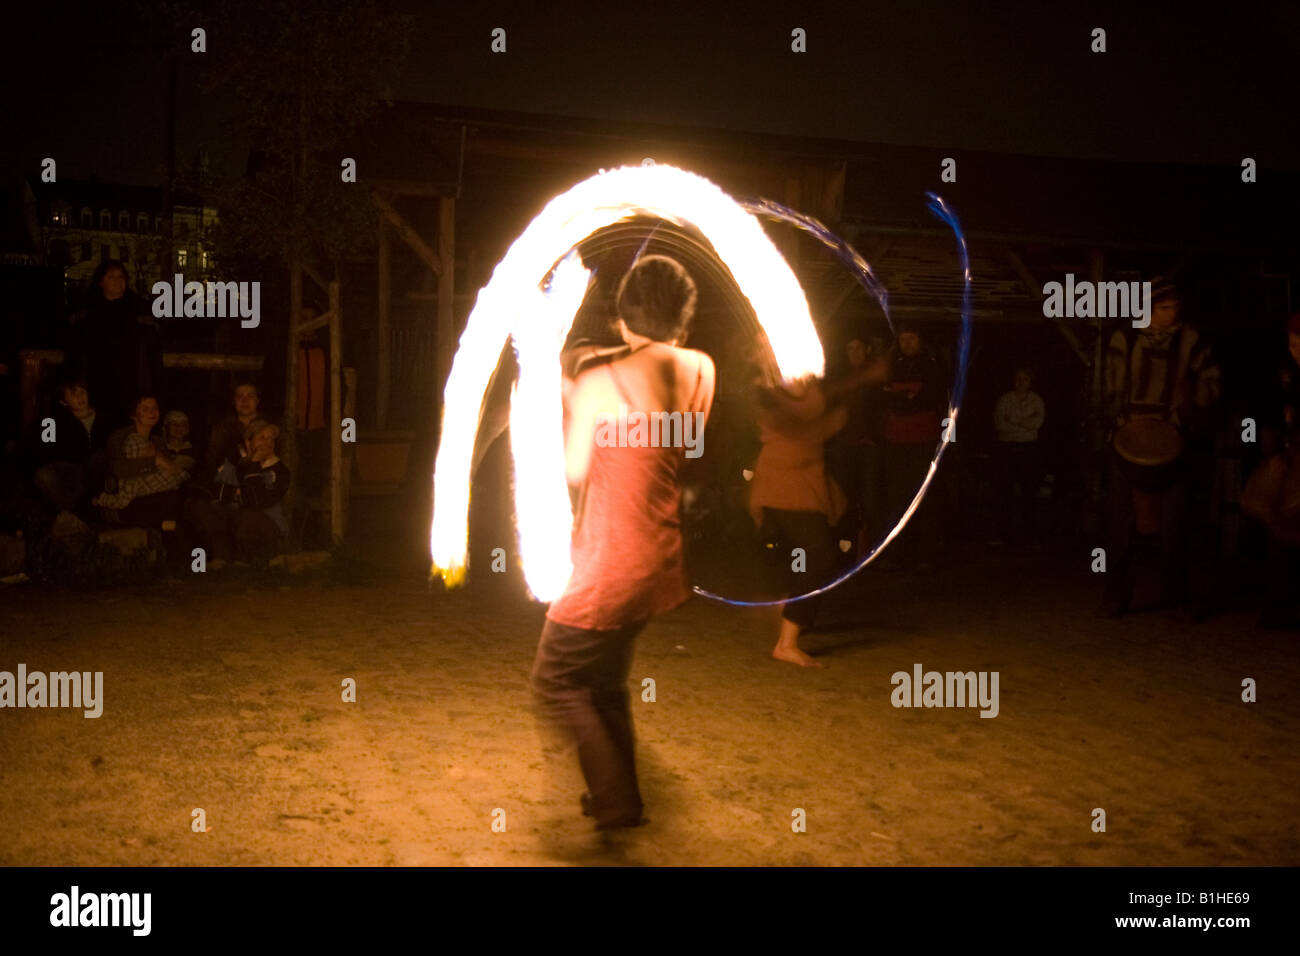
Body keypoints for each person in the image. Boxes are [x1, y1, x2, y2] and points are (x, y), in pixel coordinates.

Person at [531, 255, 715, 832]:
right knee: (604, 683)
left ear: (621, 317)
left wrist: (571, 396)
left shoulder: (598, 382)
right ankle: (621, 795)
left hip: (610, 560)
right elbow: (676, 440)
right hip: (659, 557)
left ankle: (614, 801)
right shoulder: (702, 369)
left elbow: (576, 469)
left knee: (556, 681)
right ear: (684, 318)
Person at [1101, 277, 1221, 617]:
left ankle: (1174, 593)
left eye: (1175, 308)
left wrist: (1188, 408)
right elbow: (1110, 387)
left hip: (1173, 439)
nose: (1172, 314)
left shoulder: (1191, 341)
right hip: (1129, 439)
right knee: (1119, 522)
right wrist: (1119, 421)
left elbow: (1212, 381)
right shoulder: (1124, 339)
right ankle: (1116, 595)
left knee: (1175, 523)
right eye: (1164, 308)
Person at [750, 376, 859, 668]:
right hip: (784, 488)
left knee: (809, 554)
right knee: (820, 558)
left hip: (803, 487)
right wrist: (841, 410)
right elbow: (806, 430)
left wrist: (855, 383)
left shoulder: (803, 388)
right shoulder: (774, 399)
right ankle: (787, 642)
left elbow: (817, 407)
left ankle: (793, 609)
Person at [65, 260, 162, 429]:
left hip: (131, 385)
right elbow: (74, 350)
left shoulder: (140, 311)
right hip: (96, 383)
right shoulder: (86, 313)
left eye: (121, 277)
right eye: (112, 277)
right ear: (101, 281)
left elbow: (153, 350)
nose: (118, 281)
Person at [880, 324, 947, 570]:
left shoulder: (931, 364)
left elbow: (931, 394)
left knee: (923, 498)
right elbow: (883, 394)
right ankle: (897, 553)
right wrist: (908, 391)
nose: (906, 343)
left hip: (922, 440)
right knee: (896, 498)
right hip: (896, 440)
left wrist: (903, 392)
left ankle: (925, 555)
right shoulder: (892, 364)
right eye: (903, 339)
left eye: (911, 338)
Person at [1249, 313, 1300, 628]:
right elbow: (1269, 416)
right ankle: (1276, 609)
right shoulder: (1286, 378)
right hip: (1291, 463)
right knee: (1279, 532)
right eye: (1294, 344)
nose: (1298, 351)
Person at [186, 419, 291, 569]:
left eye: (271, 439)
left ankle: (247, 561)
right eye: (262, 437)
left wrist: (254, 463)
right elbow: (206, 487)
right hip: (234, 520)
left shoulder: (280, 471)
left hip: (266, 527)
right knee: (199, 506)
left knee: (248, 514)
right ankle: (220, 557)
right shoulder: (232, 462)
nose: (269, 443)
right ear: (248, 442)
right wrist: (234, 492)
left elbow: (256, 501)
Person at [826, 335, 888, 560]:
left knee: (870, 499)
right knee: (844, 498)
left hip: (868, 445)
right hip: (844, 443)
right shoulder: (840, 376)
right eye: (850, 348)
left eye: (858, 348)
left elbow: (883, 408)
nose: (854, 353)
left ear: (867, 349)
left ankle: (871, 551)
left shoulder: (876, 377)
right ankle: (847, 550)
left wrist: (873, 436)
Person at [95, 395, 185, 527]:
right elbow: (121, 471)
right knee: (172, 502)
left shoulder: (157, 441)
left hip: (154, 494)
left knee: (177, 499)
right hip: (129, 497)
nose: (152, 412)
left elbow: (173, 470)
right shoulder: (123, 438)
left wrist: (161, 460)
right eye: (145, 409)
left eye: (154, 408)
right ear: (134, 415)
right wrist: (154, 460)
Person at [32, 379, 112, 518]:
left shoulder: (105, 417)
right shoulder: (51, 422)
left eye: (82, 392)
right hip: (71, 471)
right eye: (74, 394)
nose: (80, 397)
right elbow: (44, 452)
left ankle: (89, 508)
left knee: (98, 459)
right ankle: (73, 512)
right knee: (43, 474)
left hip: (99, 470)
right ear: (63, 401)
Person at [991, 367, 1047, 546]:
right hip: (1007, 449)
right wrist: (1026, 422)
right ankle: (1003, 534)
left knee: (1028, 491)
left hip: (1029, 449)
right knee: (1005, 491)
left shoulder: (1036, 401)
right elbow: (1000, 425)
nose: (1021, 382)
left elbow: (1037, 423)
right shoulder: (1005, 400)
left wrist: (1014, 420)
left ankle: (1028, 534)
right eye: (1018, 378)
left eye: (1025, 379)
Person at [201, 381, 261, 482]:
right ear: (234, 401)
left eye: (250, 396)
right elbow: (212, 458)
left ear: (257, 400)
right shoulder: (222, 427)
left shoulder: (270, 424)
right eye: (240, 396)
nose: (245, 400)